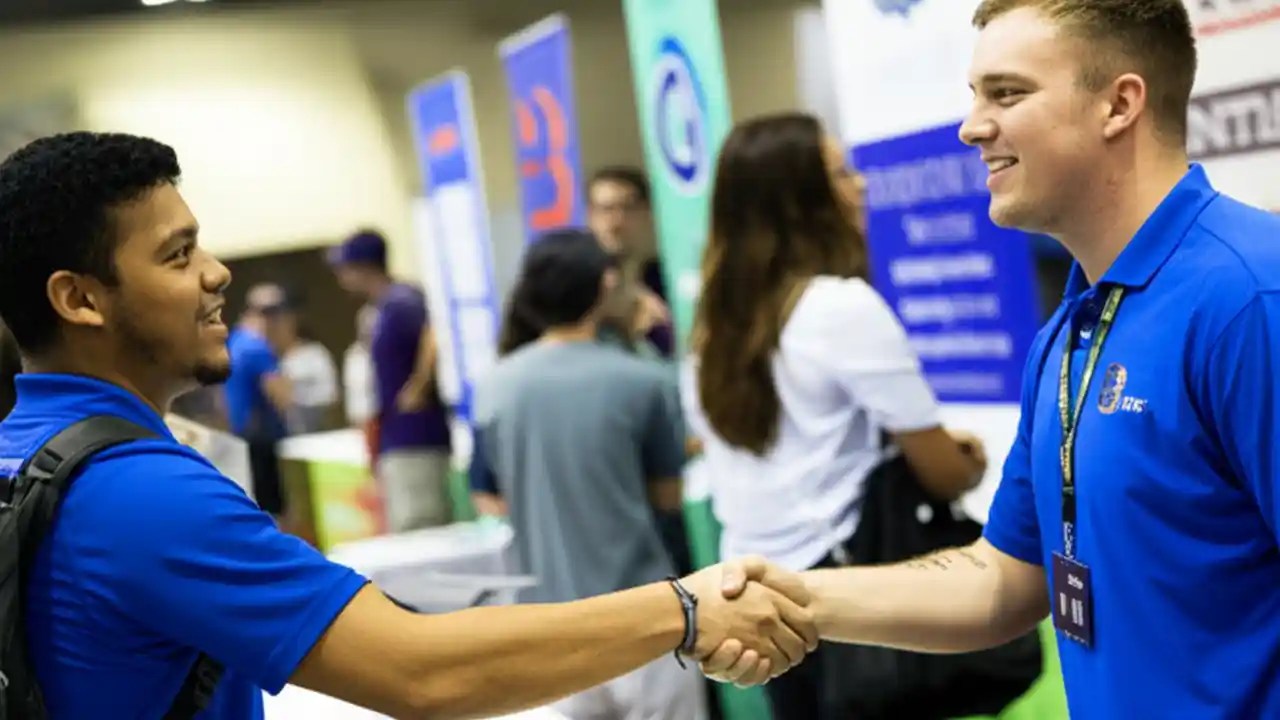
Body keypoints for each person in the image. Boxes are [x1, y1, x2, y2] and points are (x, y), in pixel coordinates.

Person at [0, 131, 819, 720]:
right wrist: (681, 609)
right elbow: (422, 675)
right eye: (177, 256)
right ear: (78, 298)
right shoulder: (141, 494)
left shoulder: (24, 453)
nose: (216, 273)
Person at [702, 2, 1280, 717]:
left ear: (1119, 105)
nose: (972, 126)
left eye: (1006, 93)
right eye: (975, 96)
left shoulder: (1251, 297)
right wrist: (798, 596)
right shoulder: (1072, 331)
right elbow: (1002, 578)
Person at [682, 111, 987, 720]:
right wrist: (970, 456)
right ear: (797, 201)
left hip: (757, 595)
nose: (860, 185)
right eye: (838, 172)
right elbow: (943, 473)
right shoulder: (839, 309)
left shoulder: (711, 330)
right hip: (848, 597)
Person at [472, 228, 706, 719]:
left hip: (548, 623)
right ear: (606, 284)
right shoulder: (641, 380)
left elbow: (488, 495)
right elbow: (667, 496)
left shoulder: (497, 386)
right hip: (645, 615)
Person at [328, 230, 453, 531]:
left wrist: (419, 386)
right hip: (396, 436)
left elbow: (433, 336)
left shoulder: (402, 301)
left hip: (414, 437)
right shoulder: (382, 308)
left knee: (421, 527)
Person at [587, 166, 674, 358]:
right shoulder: (580, 286)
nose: (616, 222)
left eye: (627, 208)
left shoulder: (668, 279)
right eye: (606, 209)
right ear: (590, 217)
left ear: (647, 213)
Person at [223, 282, 291, 515]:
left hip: (241, 435)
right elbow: (280, 395)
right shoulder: (257, 347)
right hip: (263, 439)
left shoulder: (235, 340)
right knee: (276, 508)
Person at [261, 296, 339, 434]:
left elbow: (331, 396)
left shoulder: (314, 354)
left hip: (314, 437)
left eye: (278, 321)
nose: (273, 328)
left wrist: (293, 397)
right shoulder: (269, 360)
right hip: (283, 440)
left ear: (291, 322)